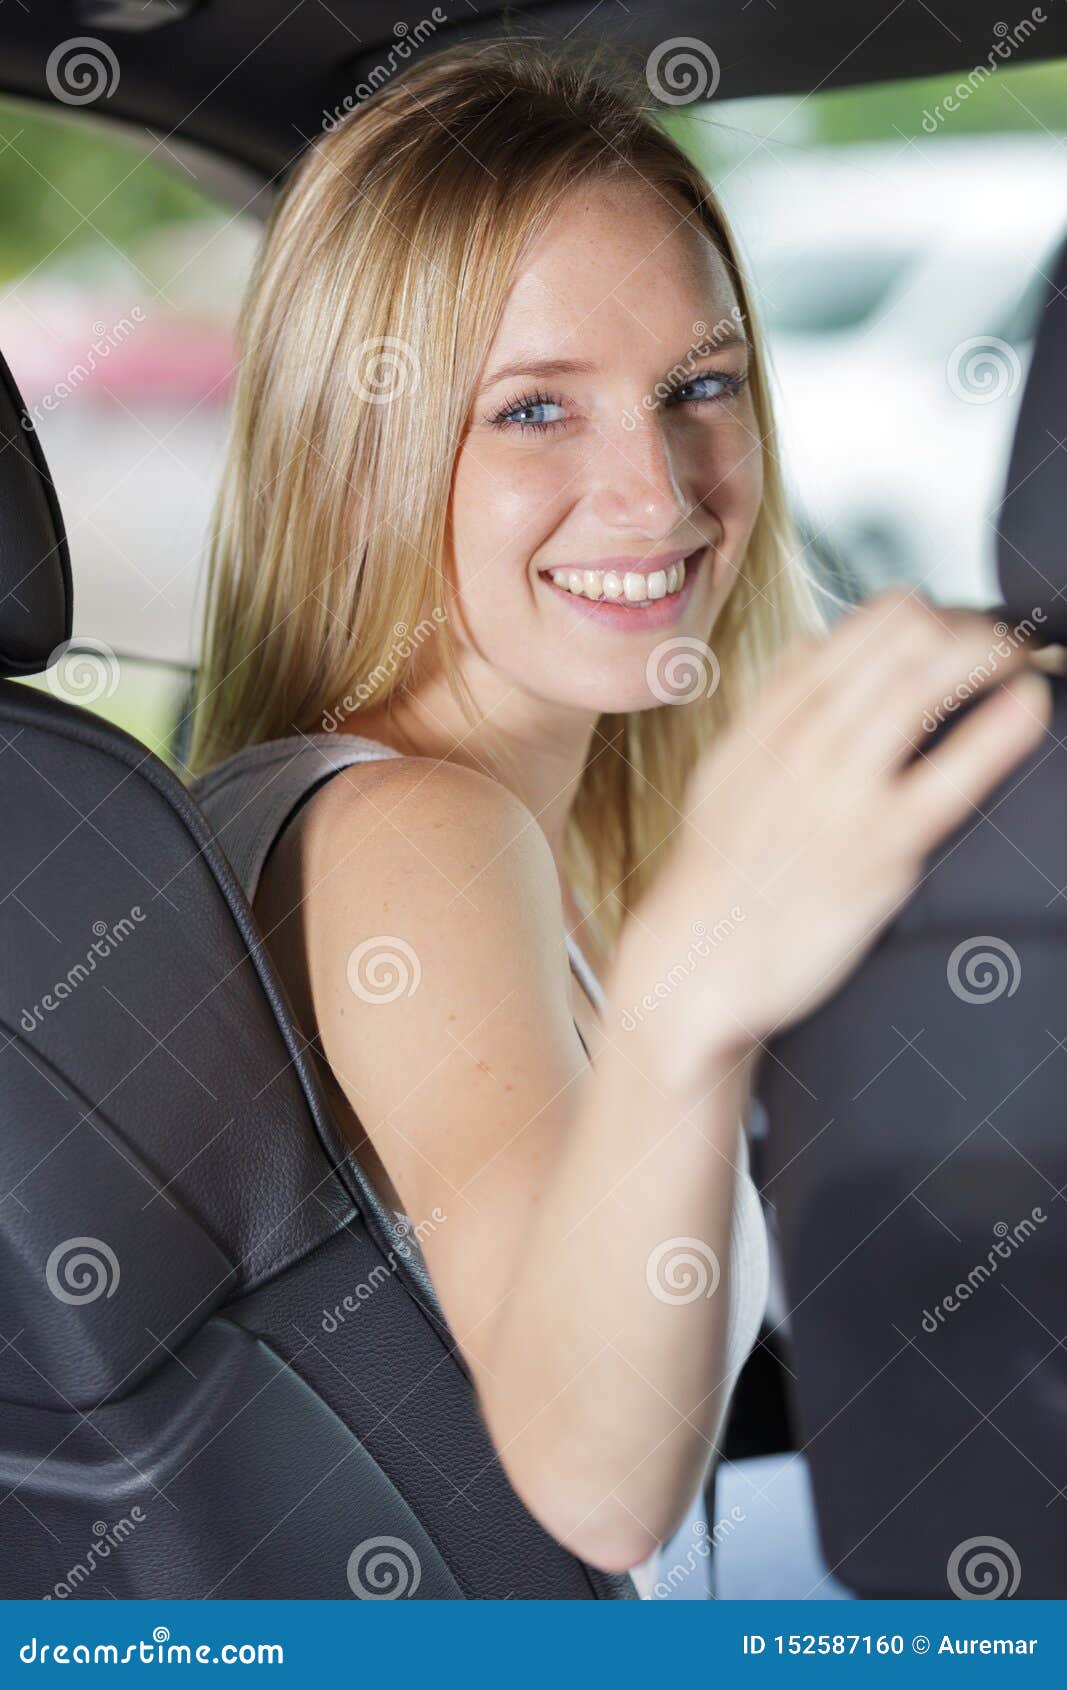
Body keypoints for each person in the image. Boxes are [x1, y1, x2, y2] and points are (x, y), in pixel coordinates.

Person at [185, 39, 1050, 1598]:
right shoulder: (412, 841)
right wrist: (692, 994)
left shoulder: (496, 827)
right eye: (533, 411)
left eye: (698, 386)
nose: (657, 492)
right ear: (359, 448)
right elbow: (597, 1483)